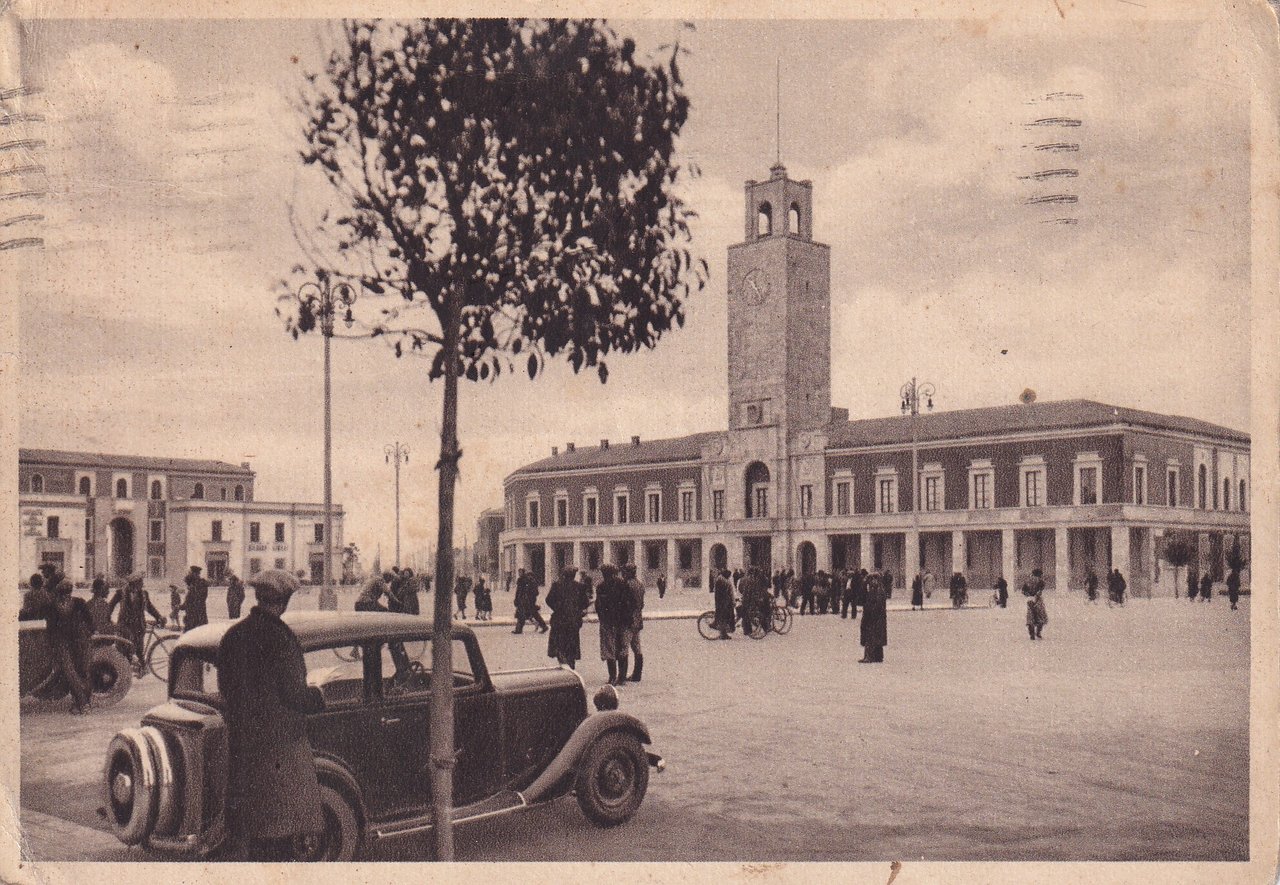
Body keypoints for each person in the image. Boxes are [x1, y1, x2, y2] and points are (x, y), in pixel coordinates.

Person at [217, 569, 325, 860]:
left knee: (249, 828)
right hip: (277, 747)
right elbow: (294, 694)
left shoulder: (234, 635)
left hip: (242, 744)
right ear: (285, 600)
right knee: (277, 830)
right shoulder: (280, 638)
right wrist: (318, 696)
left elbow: (225, 686)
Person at [109, 572, 165, 670]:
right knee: (124, 650)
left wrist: (159, 617)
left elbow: (150, 608)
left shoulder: (144, 594)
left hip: (139, 626)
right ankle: (127, 669)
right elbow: (110, 606)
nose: (142, 584)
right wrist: (107, 619)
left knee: (139, 649)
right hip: (124, 626)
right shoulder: (121, 593)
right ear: (134, 583)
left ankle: (142, 668)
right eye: (140, 582)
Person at [595, 564, 634, 685]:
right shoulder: (623, 584)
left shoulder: (601, 586)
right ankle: (621, 677)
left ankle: (612, 677)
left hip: (609, 622)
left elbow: (598, 605)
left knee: (609, 649)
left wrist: (602, 617)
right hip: (622, 622)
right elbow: (631, 603)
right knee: (622, 648)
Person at [546, 567, 586, 668]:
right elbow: (585, 602)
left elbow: (549, 600)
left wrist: (557, 608)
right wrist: (578, 610)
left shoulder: (557, 585)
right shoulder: (579, 586)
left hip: (559, 619)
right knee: (572, 643)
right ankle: (571, 664)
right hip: (574, 620)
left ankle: (563, 662)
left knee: (560, 643)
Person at [623, 564, 646, 682]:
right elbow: (642, 604)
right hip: (637, 619)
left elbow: (624, 604)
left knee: (624, 647)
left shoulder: (627, 585)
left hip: (628, 620)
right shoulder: (640, 584)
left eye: (625, 572)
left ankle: (622, 676)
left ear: (628, 572)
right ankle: (637, 675)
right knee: (637, 648)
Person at [859, 572, 887, 663]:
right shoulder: (876, 589)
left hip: (873, 617)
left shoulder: (877, 590)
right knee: (877, 637)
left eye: (872, 579)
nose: (871, 581)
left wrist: (869, 612)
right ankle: (878, 657)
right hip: (877, 618)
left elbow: (876, 605)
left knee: (870, 636)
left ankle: (869, 656)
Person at [513, 568, 548, 634]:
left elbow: (519, 592)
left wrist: (518, 599)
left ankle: (519, 629)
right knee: (534, 614)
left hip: (525, 601)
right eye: (519, 572)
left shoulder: (523, 580)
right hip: (528, 601)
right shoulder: (530, 581)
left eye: (520, 572)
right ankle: (544, 626)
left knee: (522, 614)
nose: (519, 574)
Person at [181, 565, 209, 632]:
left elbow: (196, 600)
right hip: (191, 619)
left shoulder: (200, 585)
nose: (188, 574)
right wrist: (180, 607)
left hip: (197, 619)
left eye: (190, 573)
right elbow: (188, 602)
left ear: (195, 574)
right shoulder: (193, 586)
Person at [1023, 569, 1048, 640]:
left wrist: (1029, 595)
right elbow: (1040, 590)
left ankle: (1032, 634)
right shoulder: (1041, 581)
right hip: (1038, 600)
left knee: (1030, 617)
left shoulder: (1027, 581)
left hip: (1030, 600)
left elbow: (1023, 591)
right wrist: (1036, 596)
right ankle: (1038, 633)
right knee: (1041, 616)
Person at [712, 568, 735, 639]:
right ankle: (723, 634)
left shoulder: (720, 579)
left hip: (721, 602)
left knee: (723, 618)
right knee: (724, 618)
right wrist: (732, 601)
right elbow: (728, 593)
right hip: (724, 603)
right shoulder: (723, 581)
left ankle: (724, 633)